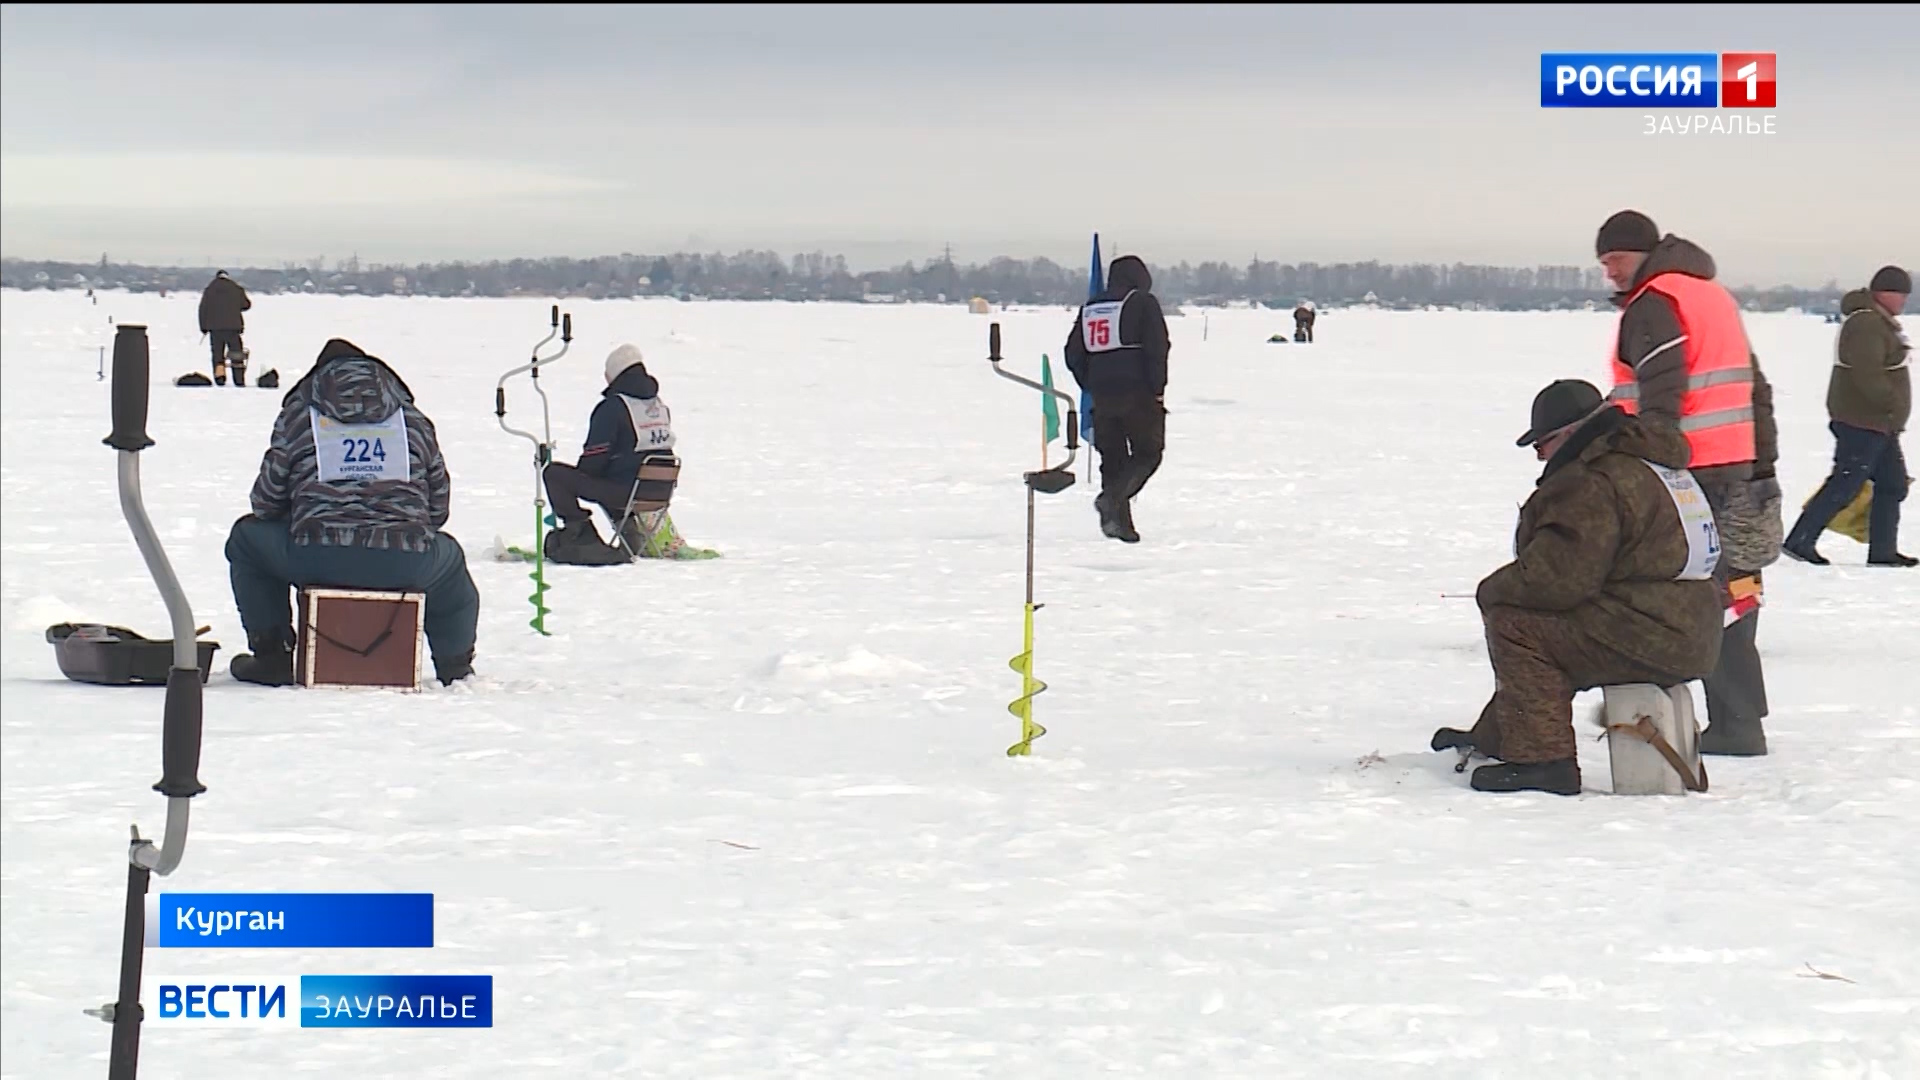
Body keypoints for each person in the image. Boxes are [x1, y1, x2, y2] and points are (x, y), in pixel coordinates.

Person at [1433, 380, 1725, 795]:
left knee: (1516, 624)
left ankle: (1543, 762)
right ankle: (1498, 735)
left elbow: (1559, 580)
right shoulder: (1653, 463)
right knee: (1555, 626)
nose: (1538, 454)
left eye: (1543, 443)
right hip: (1690, 629)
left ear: (1571, 432)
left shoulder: (1592, 479)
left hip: (1653, 631)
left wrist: (1490, 589)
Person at [1594, 209, 1783, 757]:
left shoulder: (1655, 302)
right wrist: (1762, 466)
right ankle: (1739, 717)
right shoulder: (1711, 296)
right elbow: (1756, 388)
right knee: (1734, 593)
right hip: (1733, 465)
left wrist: (1647, 463)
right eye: (1604, 263)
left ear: (1644, 253)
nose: (1610, 272)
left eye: (1617, 260)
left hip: (1688, 472)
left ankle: (1720, 722)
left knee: (1688, 596)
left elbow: (1661, 395)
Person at [224, 339, 479, 687]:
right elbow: (438, 510)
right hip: (405, 562)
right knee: (450, 564)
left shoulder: (300, 417)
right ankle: (455, 667)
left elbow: (265, 502)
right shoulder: (413, 422)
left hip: (316, 556)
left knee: (245, 540)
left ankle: (273, 654)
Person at [1784, 265, 1912, 567]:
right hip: (1863, 419)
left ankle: (1882, 551)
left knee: (1892, 484)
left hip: (1879, 422)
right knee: (1846, 483)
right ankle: (1799, 541)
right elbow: (1867, 373)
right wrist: (1891, 402)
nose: (1904, 301)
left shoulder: (1879, 322)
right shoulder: (1866, 323)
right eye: (1901, 294)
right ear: (1884, 293)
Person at [540, 344, 681, 565]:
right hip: (660, 491)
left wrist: (582, 475)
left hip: (628, 491)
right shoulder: (659, 406)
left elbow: (593, 461)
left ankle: (582, 536)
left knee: (555, 475)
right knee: (612, 480)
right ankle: (631, 537)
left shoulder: (612, 407)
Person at [1063, 255, 1170, 543]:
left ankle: (1120, 525)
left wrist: (1091, 383)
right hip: (1138, 393)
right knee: (1148, 453)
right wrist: (1157, 388)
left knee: (1113, 459)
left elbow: (1073, 353)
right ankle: (1111, 500)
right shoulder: (1143, 303)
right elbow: (1157, 348)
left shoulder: (1091, 308)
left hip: (1101, 397)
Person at [198, 270, 252, 387]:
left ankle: (220, 378)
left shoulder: (210, 290)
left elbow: (203, 309)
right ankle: (239, 379)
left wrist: (204, 328)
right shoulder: (236, 288)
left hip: (215, 329)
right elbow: (246, 305)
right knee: (236, 353)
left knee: (218, 354)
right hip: (233, 328)